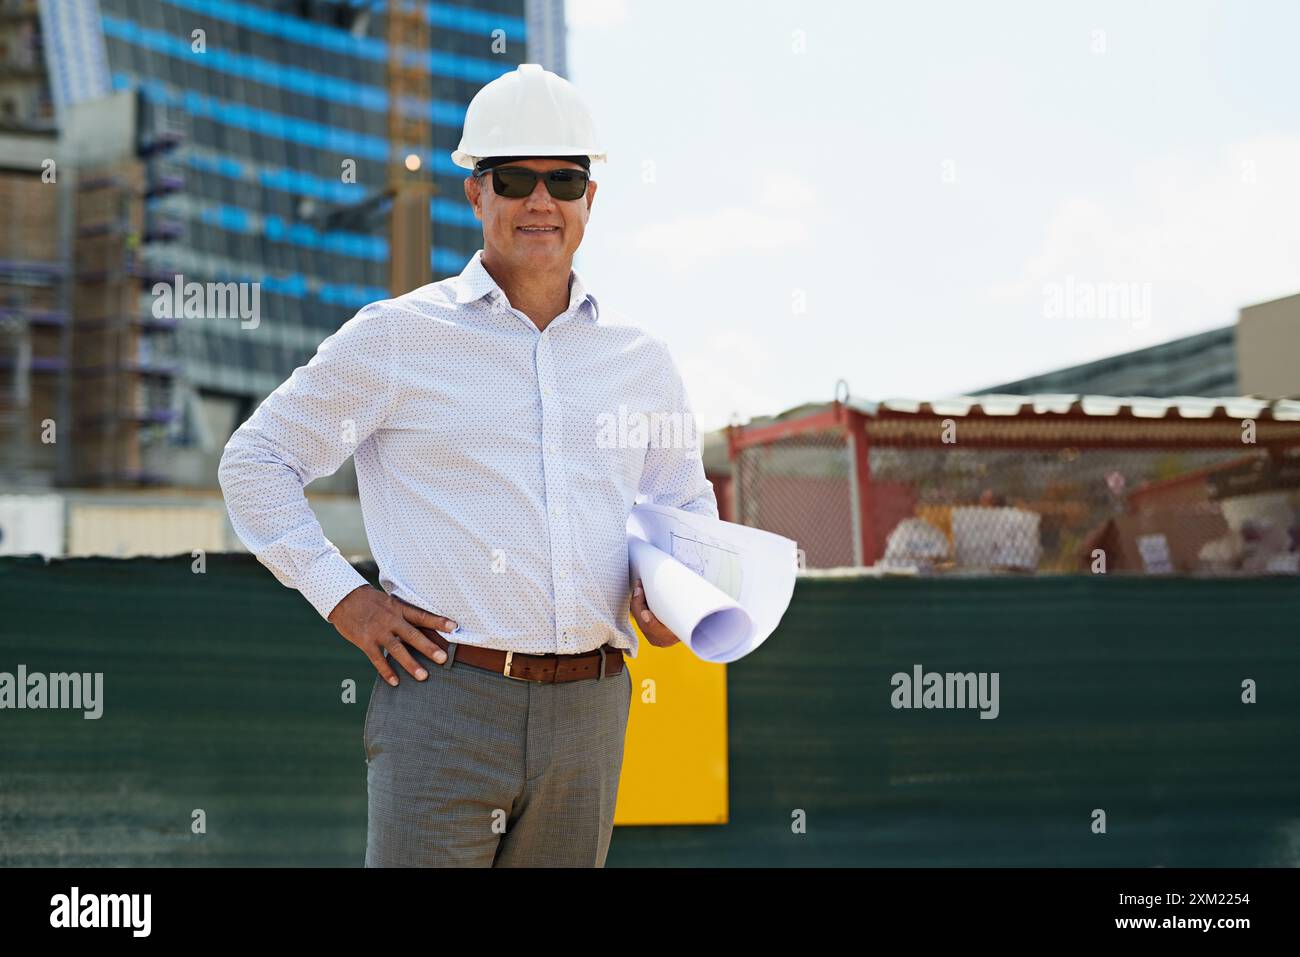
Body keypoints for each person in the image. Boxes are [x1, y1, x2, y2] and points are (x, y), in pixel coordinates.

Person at [217, 63, 718, 866]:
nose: (541, 200)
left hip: (592, 710)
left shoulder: (641, 361)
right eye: (514, 178)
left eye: (564, 178)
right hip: (445, 703)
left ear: (592, 197)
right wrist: (345, 598)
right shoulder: (397, 338)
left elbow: (683, 507)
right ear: (475, 194)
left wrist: (670, 595)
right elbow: (256, 460)